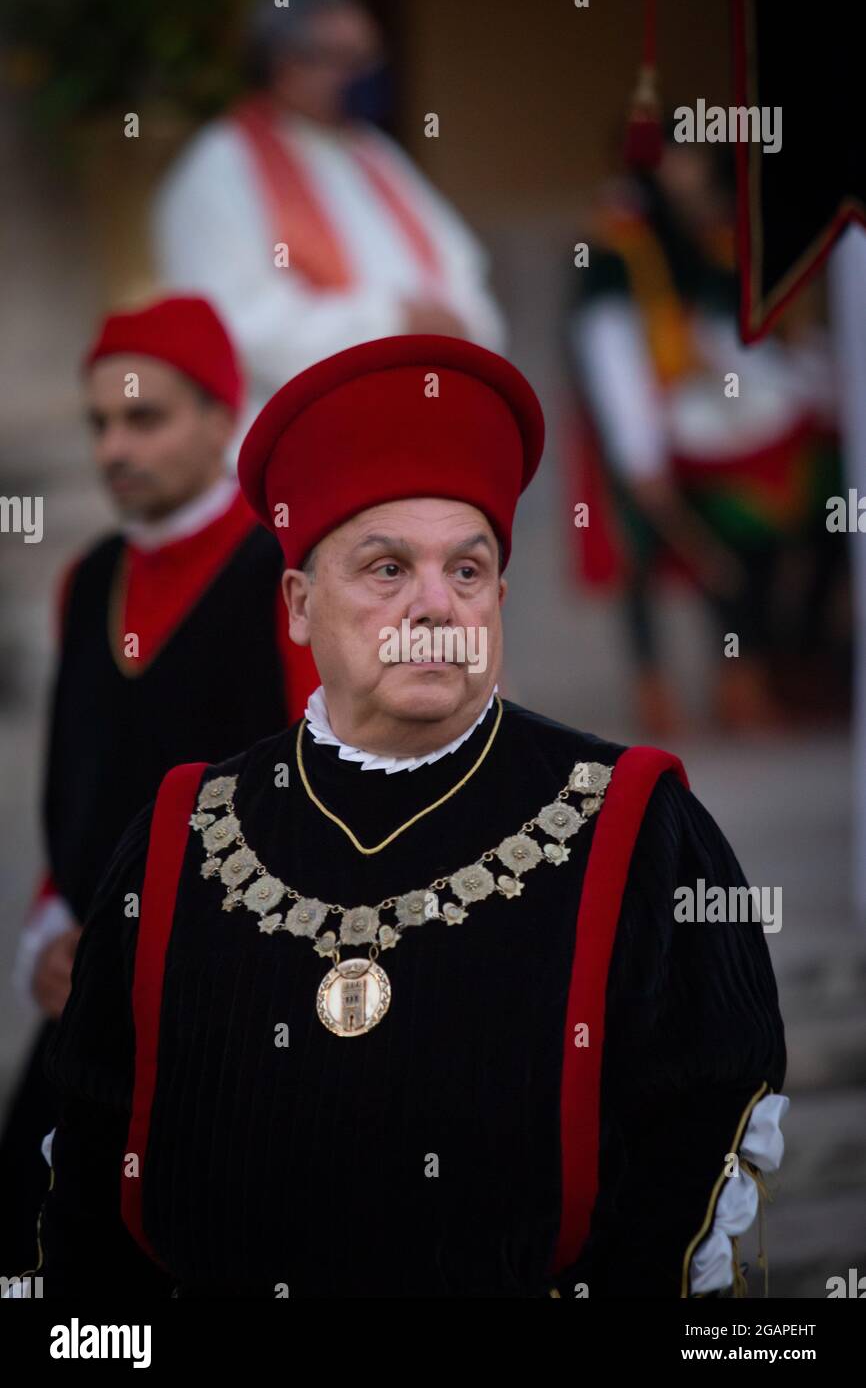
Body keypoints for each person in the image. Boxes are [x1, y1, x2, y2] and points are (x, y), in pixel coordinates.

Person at [26, 335, 787, 1299]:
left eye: (466, 573)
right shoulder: (180, 835)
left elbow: (700, 1132)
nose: (435, 607)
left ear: (499, 598)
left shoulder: (640, 828)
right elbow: (96, 1161)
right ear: (299, 606)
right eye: (386, 569)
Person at [0, 295, 318, 1276]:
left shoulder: (286, 570)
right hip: (93, 1004)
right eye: (100, 423)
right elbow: (78, 791)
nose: (115, 447)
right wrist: (48, 935)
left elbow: (320, 802)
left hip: (242, 1010)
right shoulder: (86, 579)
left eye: (145, 417)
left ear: (222, 417)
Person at [564, 132, 841, 736]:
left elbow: (733, 342)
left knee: (731, 556)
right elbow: (611, 353)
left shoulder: (702, 243)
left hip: (703, 431)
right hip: (638, 428)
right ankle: (656, 695)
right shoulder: (617, 248)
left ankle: (744, 684)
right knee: (640, 557)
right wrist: (638, 451)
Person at [152, 0, 506, 436]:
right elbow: (233, 323)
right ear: (287, 66)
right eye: (348, 60)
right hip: (307, 436)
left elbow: (461, 269)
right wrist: (390, 325)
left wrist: (459, 324)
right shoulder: (220, 167)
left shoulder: (374, 153)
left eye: (372, 58)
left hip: (426, 416)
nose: (367, 75)